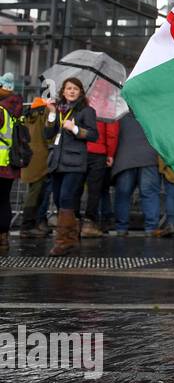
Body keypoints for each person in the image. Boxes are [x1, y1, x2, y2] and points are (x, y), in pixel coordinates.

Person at [44, 77, 98, 256]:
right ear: (63, 91)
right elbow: (48, 134)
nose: (72, 91)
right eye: (68, 88)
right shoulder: (59, 110)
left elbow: (93, 135)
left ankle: (63, 242)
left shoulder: (86, 111)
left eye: (75, 88)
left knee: (67, 198)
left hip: (75, 162)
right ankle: (72, 237)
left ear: (81, 92)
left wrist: (75, 129)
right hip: (58, 162)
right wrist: (51, 113)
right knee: (59, 200)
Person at [110, 109, 162, 235]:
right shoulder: (153, 112)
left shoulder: (117, 114)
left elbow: (113, 135)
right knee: (149, 194)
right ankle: (151, 228)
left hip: (124, 159)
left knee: (123, 195)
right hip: (149, 158)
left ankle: (121, 228)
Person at [79, 112, 118, 238]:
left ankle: (72, 223)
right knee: (94, 190)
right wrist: (110, 154)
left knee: (75, 187)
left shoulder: (79, 107)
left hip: (78, 151)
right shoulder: (106, 109)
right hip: (98, 152)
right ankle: (89, 224)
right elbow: (112, 133)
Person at [19, 97, 52, 237]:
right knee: (36, 192)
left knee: (34, 191)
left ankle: (33, 223)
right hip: (41, 157)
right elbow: (49, 135)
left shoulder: (27, 116)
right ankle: (27, 226)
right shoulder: (44, 113)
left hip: (28, 158)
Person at [0, 73, 23, 248]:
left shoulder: (0, 110)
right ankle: (3, 237)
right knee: (4, 200)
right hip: (11, 163)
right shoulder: (16, 109)